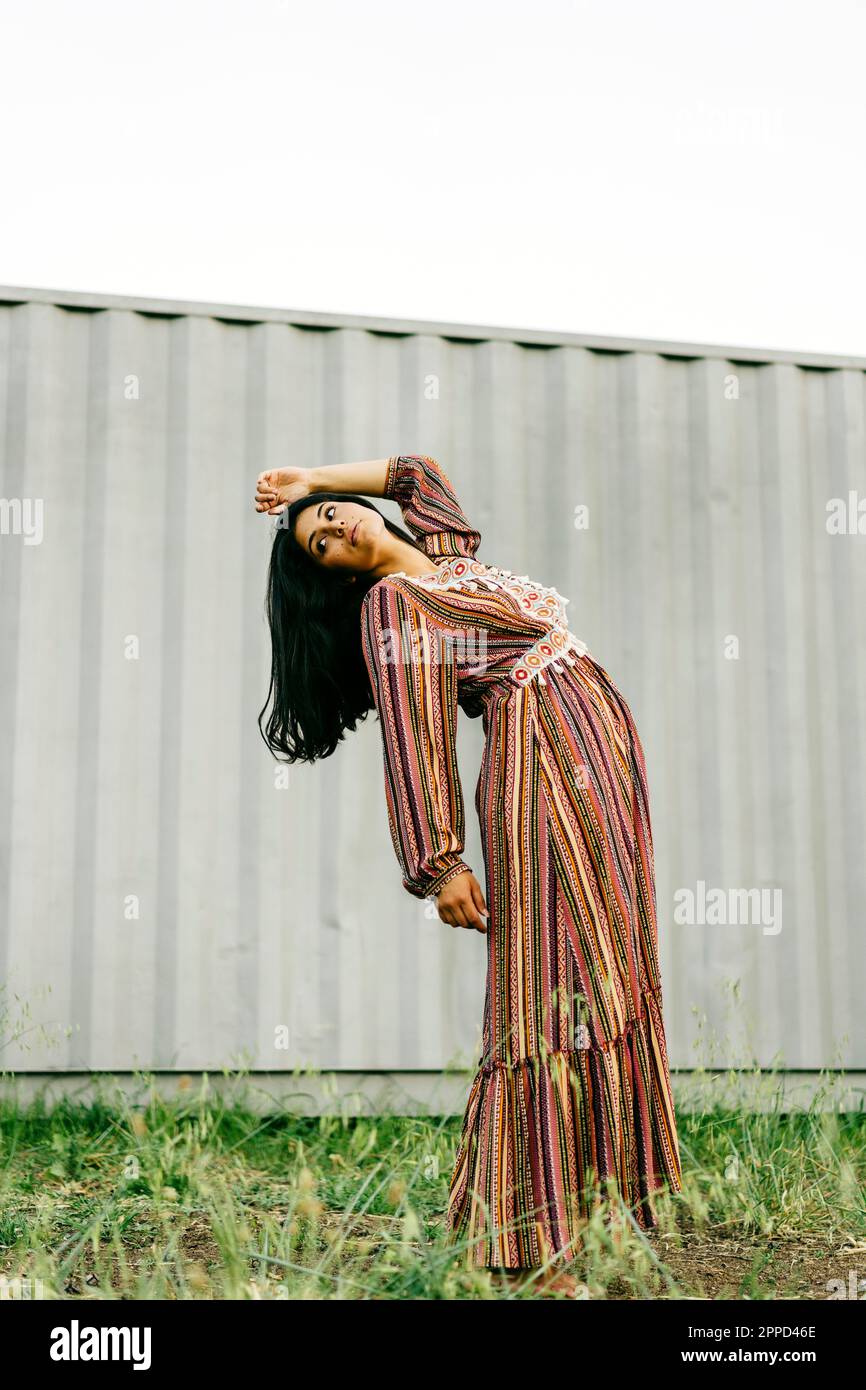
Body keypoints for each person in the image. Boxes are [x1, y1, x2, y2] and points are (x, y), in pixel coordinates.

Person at [254, 454, 683, 1296]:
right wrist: (438, 861)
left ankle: (597, 1214)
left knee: (611, 966)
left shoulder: (449, 560)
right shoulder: (394, 605)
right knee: (547, 981)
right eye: (320, 547)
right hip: (543, 764)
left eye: (336, 516)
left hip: (598, 757)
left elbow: (417, 471)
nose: (337, 529)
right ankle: (531, 1243)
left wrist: (310, 481)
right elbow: (414, 737)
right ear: (334, 581)